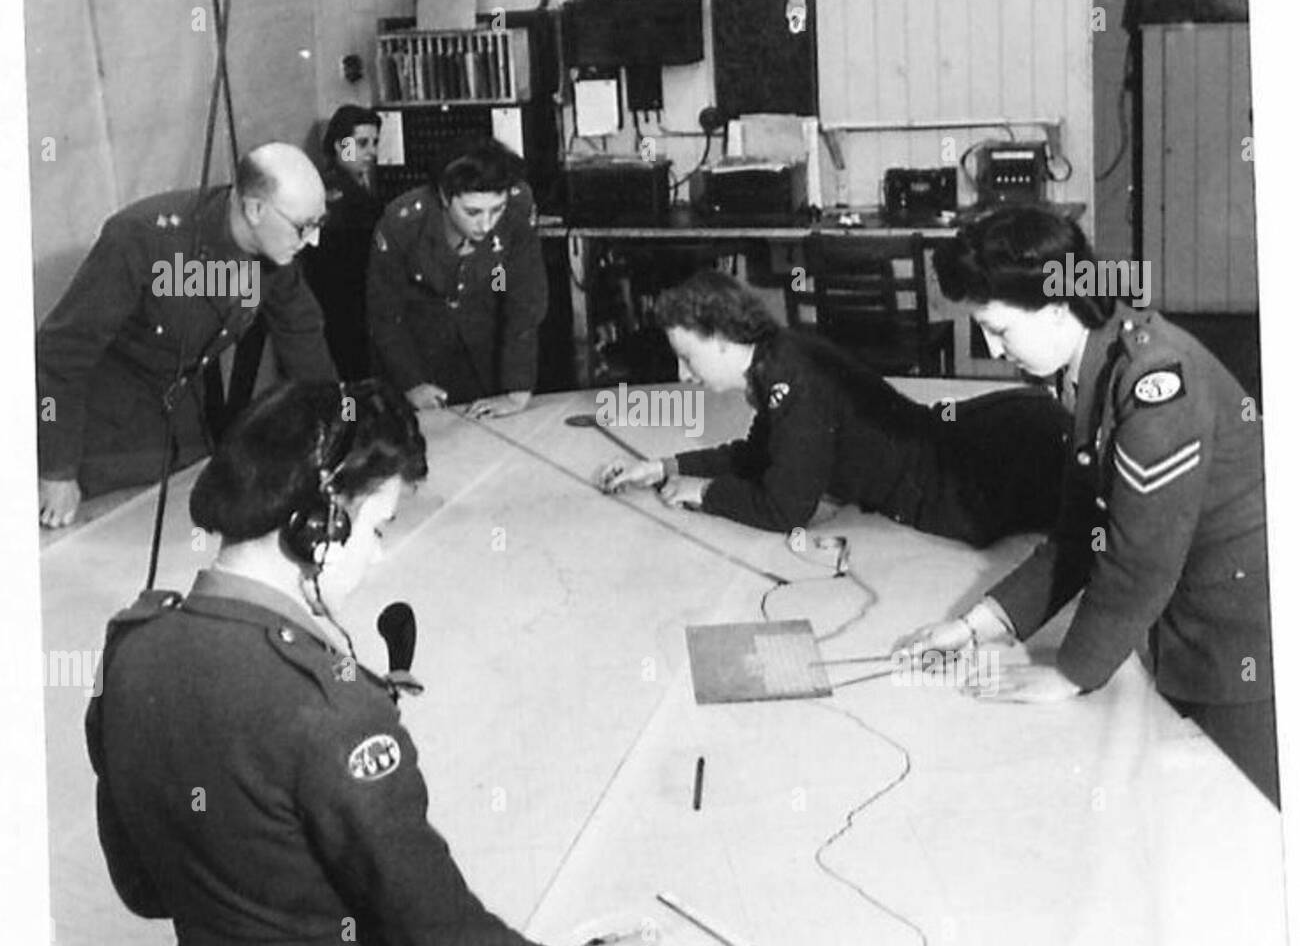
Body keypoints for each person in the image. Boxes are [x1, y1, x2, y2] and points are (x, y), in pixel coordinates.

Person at [85, 379, 655, 946]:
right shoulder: (333, 712)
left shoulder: (131, 649)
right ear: (317, 526)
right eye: (379, 527)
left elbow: (143, 889)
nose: (379, 554)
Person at [898, 205, 1277, 805]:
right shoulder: (1094, 362)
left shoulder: (1155, 385)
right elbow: (1081, 534)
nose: (994, 352)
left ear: (1055, 307)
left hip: (1242, 638)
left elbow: (1137, 564)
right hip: (1185, 622)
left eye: (999, 329)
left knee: (1246, 818)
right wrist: (978, 626)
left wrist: (1070, 673)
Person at [597, 269, 1070, 545]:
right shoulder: (782, 354)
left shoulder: (792, 383)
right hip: (977, 437)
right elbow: (764, 454)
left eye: (687, 357)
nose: (683, 374)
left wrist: (704, 493)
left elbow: (784, 509)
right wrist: (663, 467)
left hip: (965, 484)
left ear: (720, 340)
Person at [36, 143, 337, 528]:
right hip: (104, 444)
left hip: (184, 433)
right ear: (255, 209)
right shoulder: (144, 238)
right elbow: (60, 353)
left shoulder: (276, 254)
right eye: (304, 226)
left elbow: (304, 337)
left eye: (319, 224)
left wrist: (335, 436)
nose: (313, 241)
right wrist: (56, 470)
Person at [367, 138, 547, 419]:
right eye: (473, 212)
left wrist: (517, 390)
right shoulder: (401, 223)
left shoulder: (517, 209)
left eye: (496, 209)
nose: (486, 224)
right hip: (418, 354)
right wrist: (411, 382)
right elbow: (384, 314)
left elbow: (525, 305)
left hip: (487, 351)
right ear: (444, 196)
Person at [302, 105, 385, 380]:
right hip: (342, 309)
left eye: (374, 142)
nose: (371, 151)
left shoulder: (353, 186)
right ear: (339, 145)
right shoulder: (335, 193)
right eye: (361, 143)